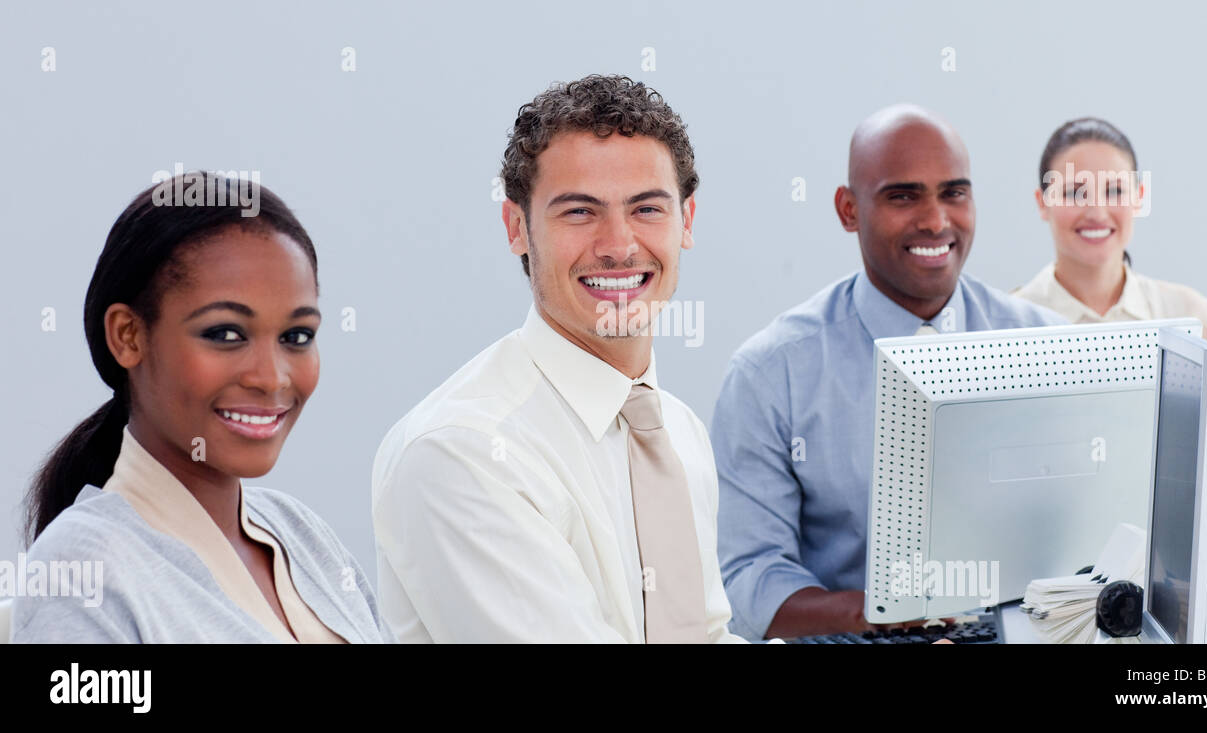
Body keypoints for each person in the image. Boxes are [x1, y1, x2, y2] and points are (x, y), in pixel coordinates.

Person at [372, 75, 744, 643]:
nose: (619, 245)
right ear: (517, 227)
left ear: (686, 221)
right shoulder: (462, 451)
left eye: (646, 208)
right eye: (579, 212)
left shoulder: (680, 434)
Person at [711, 105, 1069, 641]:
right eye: (903, 196)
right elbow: (747, 578)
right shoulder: (771, 374)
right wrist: (873, 612)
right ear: (849, 209)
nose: (935, 221)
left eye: (954, 193)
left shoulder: (1052, 346)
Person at [12, 175, 392, 643]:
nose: (270, 377)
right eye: (225, 334)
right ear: (128, 336)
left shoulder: (305, 536)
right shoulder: (80, 574)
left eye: (296, 337)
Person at [1013, 117, 1207, 528]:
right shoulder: (1008, 321)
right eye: (1075, 192)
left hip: (1167, 548)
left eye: (1114, 190)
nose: (1096, 210)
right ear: (1042, 202)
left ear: (1139, 198)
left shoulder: (1188, 311)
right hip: (1047, 554)